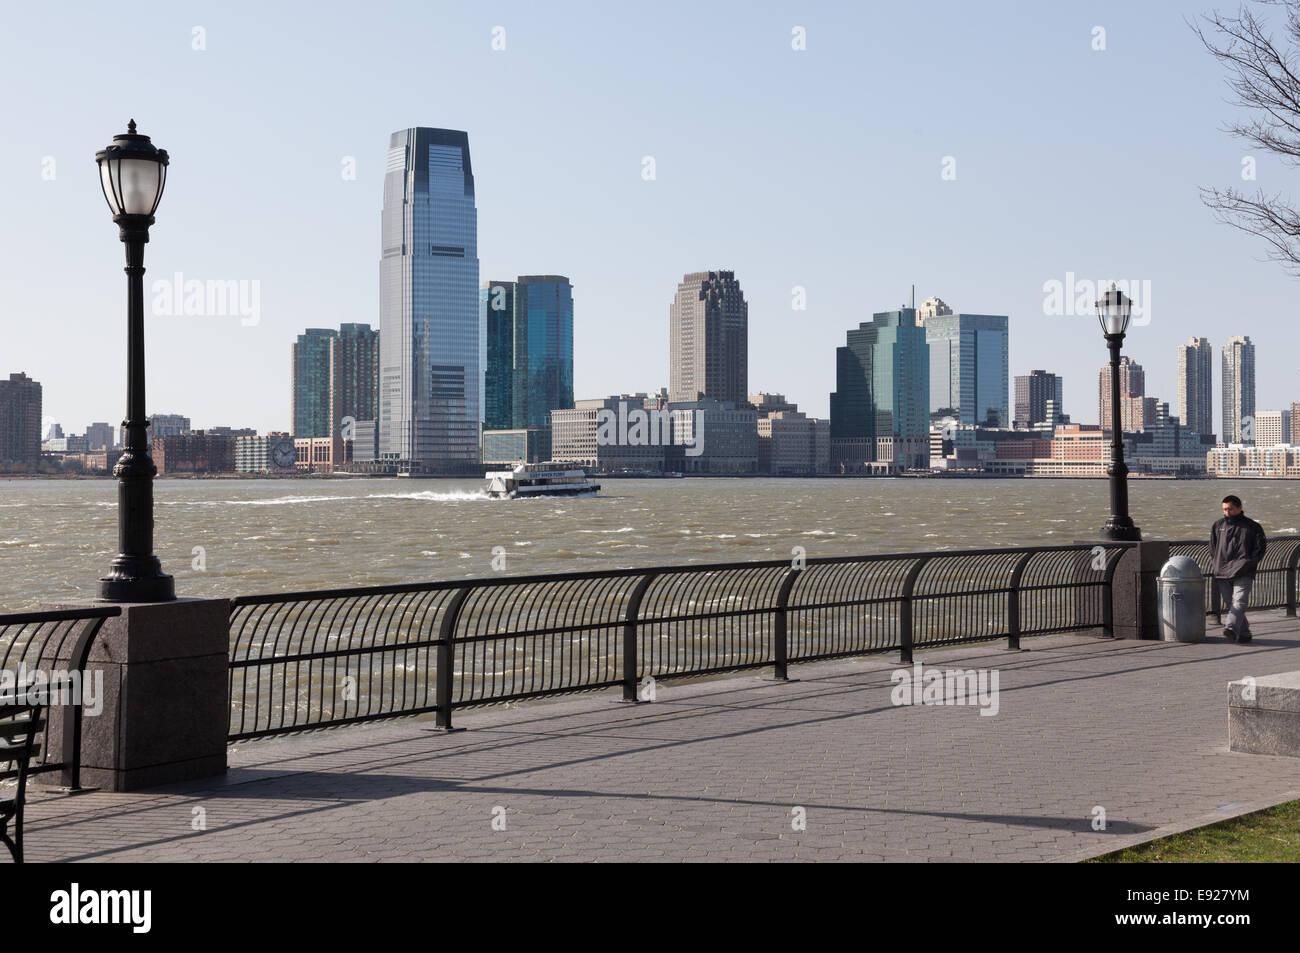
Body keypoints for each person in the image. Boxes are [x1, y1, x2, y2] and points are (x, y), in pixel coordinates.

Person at [1210, 495, 1267, 644]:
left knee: (1239, 602)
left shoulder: (1253, 526)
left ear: (1240, 508)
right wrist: (1216, 564)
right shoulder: (1217, 525)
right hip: (1222, 571)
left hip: (1244, 570)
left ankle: (1230, 628)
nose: (1227, 512)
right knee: (1231, 604)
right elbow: (1213, 548)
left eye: (1230, 509)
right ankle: (1245, 633)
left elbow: (1260, 548)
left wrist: (1250, 563)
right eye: (1224, 509)